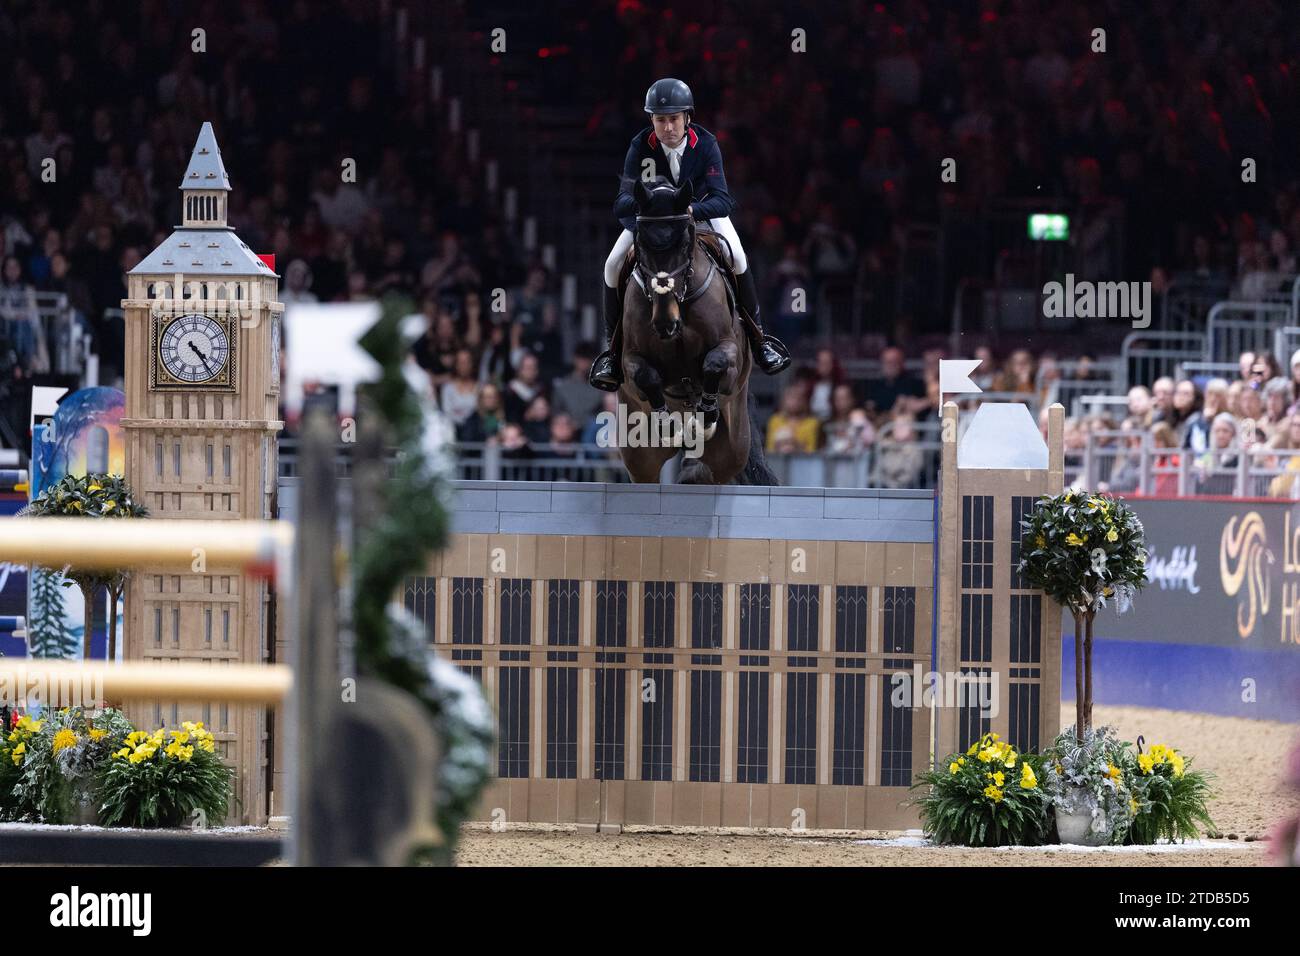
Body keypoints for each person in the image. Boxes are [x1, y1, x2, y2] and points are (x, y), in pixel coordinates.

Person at [588, 78, 790, 391]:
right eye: (660, 120)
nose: (667, 127)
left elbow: (723, 199)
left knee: (737, 256)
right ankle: (612, 354)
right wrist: (654, 203)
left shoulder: (706, 143)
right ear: (651, 120)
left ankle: (759, 339)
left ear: (687, 118)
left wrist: (690, 211)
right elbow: (621, 203)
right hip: (653, 222)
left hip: (699, 218)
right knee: (612, 265)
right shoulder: (640, 146)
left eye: (673, 119)